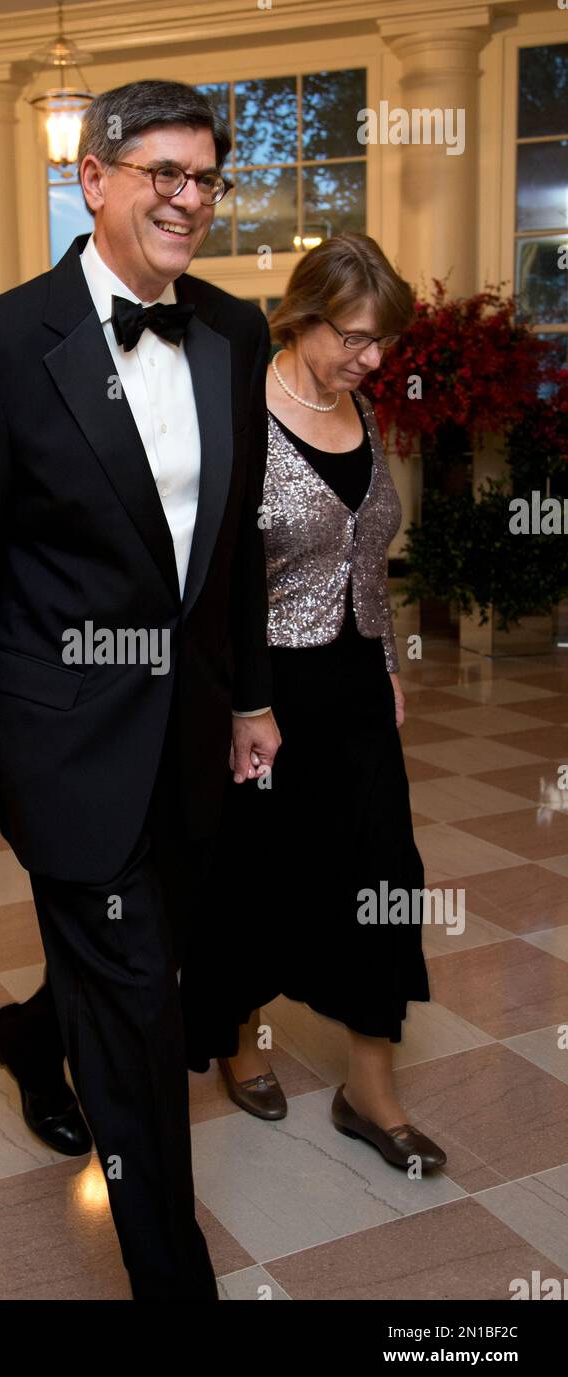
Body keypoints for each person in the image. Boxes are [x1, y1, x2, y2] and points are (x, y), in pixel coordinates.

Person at [0, 78, 280, 1300]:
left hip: (187, 729)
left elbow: (236, 545)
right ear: (95, 179)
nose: (186, 198)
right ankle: (174, 1281)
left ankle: (24, 1031)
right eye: (160, 173)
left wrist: (247, 696)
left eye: (204, 177)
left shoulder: (232, 331)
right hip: (65, 736)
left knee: (142, 956)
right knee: (135, 1018)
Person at [182, 233, 447, 1174]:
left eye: (382, 345)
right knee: (255, 871)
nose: (371, 361)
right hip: (260, 691)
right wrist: (233, 705)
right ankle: (243, 1038)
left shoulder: (363, 414)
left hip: (354, 687)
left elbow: (363, 551)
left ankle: (369, 1091)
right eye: (356, 338)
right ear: (301, 316)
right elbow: (213, 576)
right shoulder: (237, 412)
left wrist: (381, 658)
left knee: (382, 874)